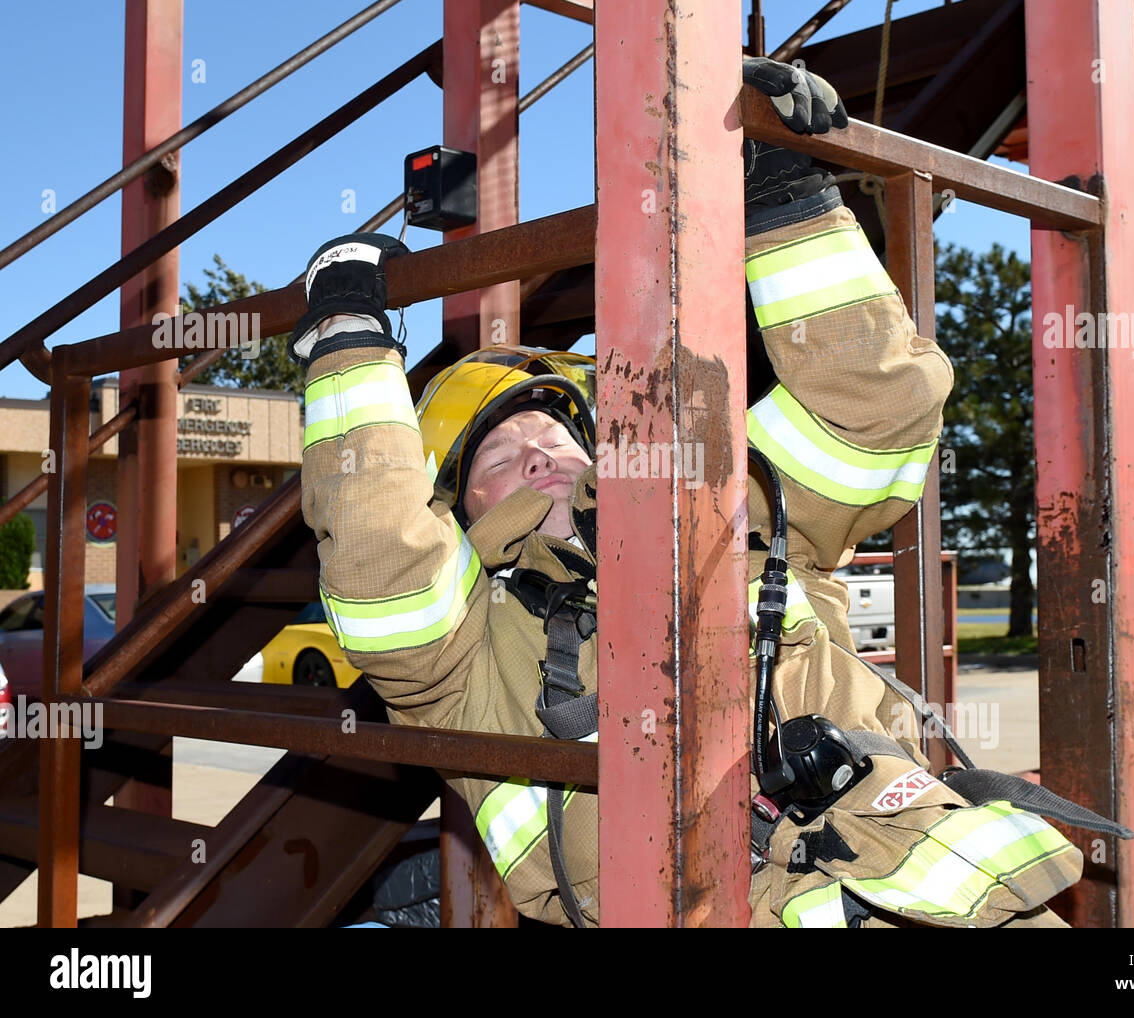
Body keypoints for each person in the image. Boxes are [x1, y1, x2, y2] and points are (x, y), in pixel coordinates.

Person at [293, 58, 1093, 928]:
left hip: (946, 896)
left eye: (553, 433)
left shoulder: (713, 517)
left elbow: (876, 415)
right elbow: (379, 560)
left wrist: (784, 199)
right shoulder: (465, 661)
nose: (538, 454)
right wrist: (347, 339)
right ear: (455, 514)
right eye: (497, 457)